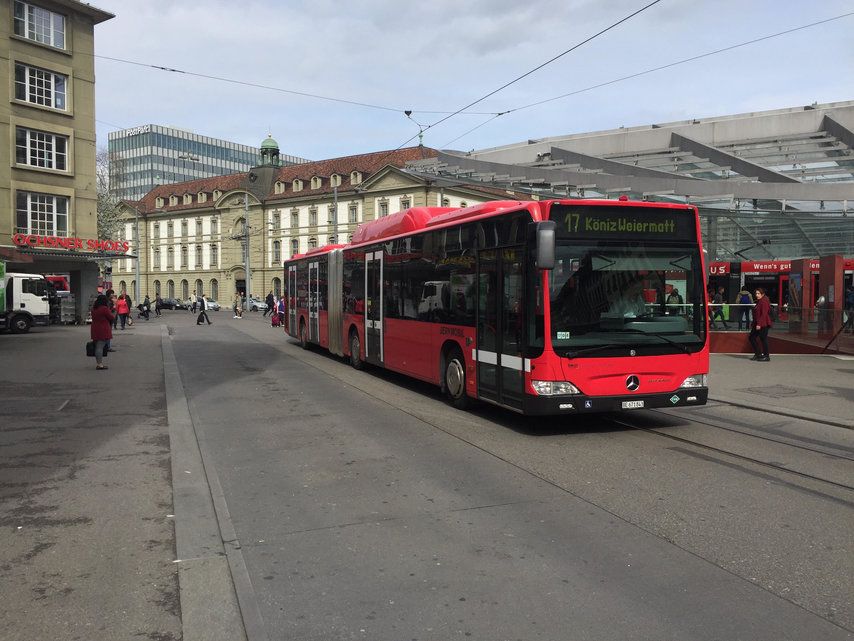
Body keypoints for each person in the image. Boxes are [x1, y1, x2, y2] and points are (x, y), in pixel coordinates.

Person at [90, 294, 114, 370]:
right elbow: (111, 317)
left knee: (98, 346)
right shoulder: (104, 308)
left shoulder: (94, 308)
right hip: (103, 329)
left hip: (95, 328)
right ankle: (99, 364)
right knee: (100, 347)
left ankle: (98, 363)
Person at [749, 287, 772, 362]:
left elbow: (764, 314)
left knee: (763, 339)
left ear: (762, 294)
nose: (757, 295)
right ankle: (758, 354)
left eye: (758, 293)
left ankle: (766, 355)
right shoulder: (760, 301)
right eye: (756, 293)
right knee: (752, 337)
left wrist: (759, 324)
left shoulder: (764, 301)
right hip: (758, 323)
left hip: (763, 323)